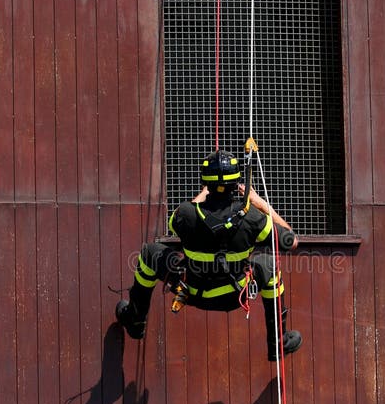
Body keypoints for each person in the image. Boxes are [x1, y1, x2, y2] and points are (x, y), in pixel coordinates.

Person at [115, 150, 302, 361]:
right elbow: (291, 241)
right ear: (237, 183)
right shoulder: (251, 217)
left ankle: (135, 320)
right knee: (269, 265)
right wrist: (258, 201)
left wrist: (204, 193)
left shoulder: (187, 213)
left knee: (149, 253)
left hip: (194, 293)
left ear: (205, 181)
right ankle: (278, 341)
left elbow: (176, 224)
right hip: (235, 296)